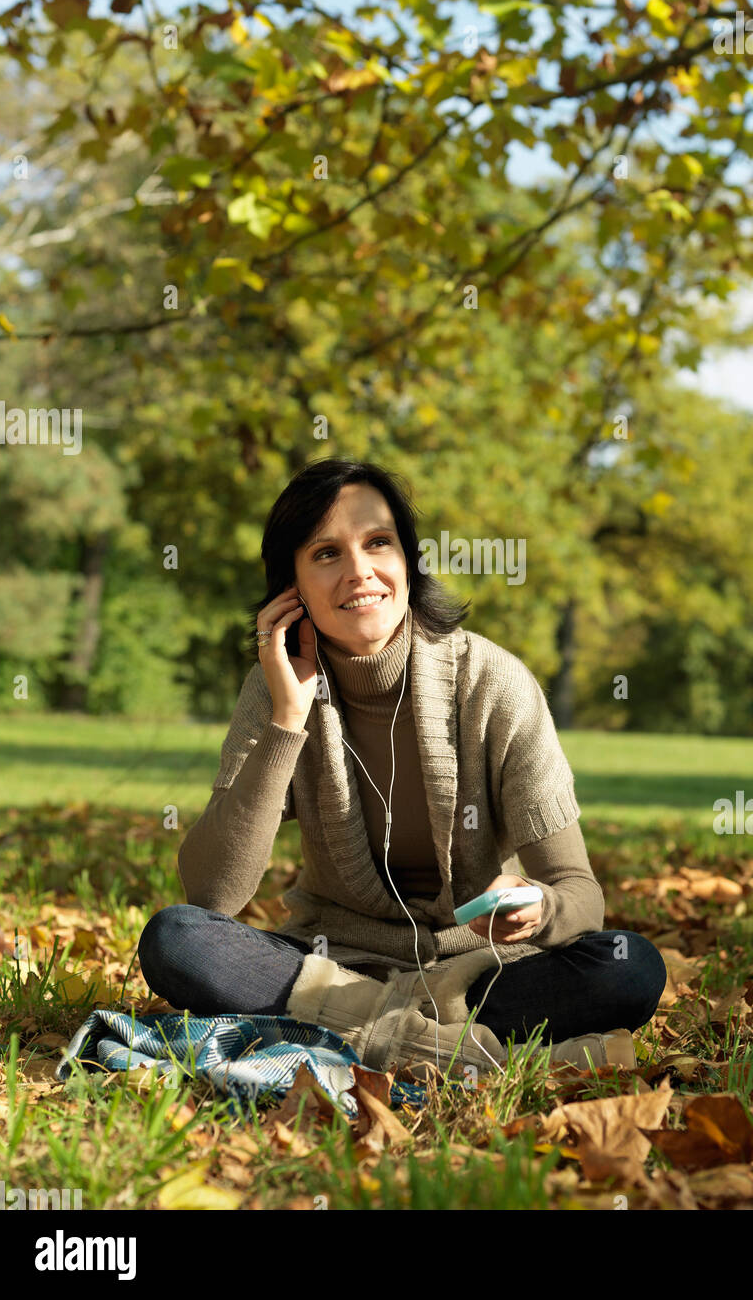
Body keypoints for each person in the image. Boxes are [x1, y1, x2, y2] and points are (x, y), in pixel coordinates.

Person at [137, 458, 669, 1077]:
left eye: (378, 543)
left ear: (409, 562)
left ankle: (372, 1032)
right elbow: (212, 893)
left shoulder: (494, 685)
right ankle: (453, 1051)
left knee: (631, 966)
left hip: (478, 975)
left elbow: (582, 894)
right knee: (175, 939)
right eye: (327, 554)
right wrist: (287, 720)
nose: (360, 571)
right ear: (293, 588)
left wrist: (540, 908)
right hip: (327, 966)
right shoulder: (274, 689)